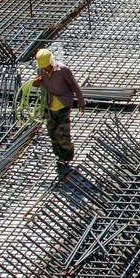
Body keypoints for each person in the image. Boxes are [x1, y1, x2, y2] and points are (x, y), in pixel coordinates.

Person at [32, 47, 85, 183]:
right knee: (53, 134)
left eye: (48, 67)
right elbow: (40, 83)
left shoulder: (63, 70)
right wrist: (36, 83)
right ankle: (60, 157)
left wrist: (81, 100)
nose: (46, 70)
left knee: (63, 134)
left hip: (62, 106)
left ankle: (67, 157)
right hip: (49, 107)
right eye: (44, 68)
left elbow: (74, 85)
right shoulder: (41, 70)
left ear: (51, 63)